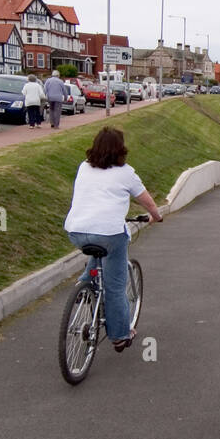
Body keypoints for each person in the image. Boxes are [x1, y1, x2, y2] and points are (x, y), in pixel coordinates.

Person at [64, 127, 163, 352]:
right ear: (121, 149)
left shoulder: (84, 166)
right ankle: (120, 336)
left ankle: (83, 285)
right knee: (115, 288)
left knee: (99, 253)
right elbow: (147, 202)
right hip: (109, 233)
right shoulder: (126, 173)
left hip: (77, 231)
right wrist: (156, 217)